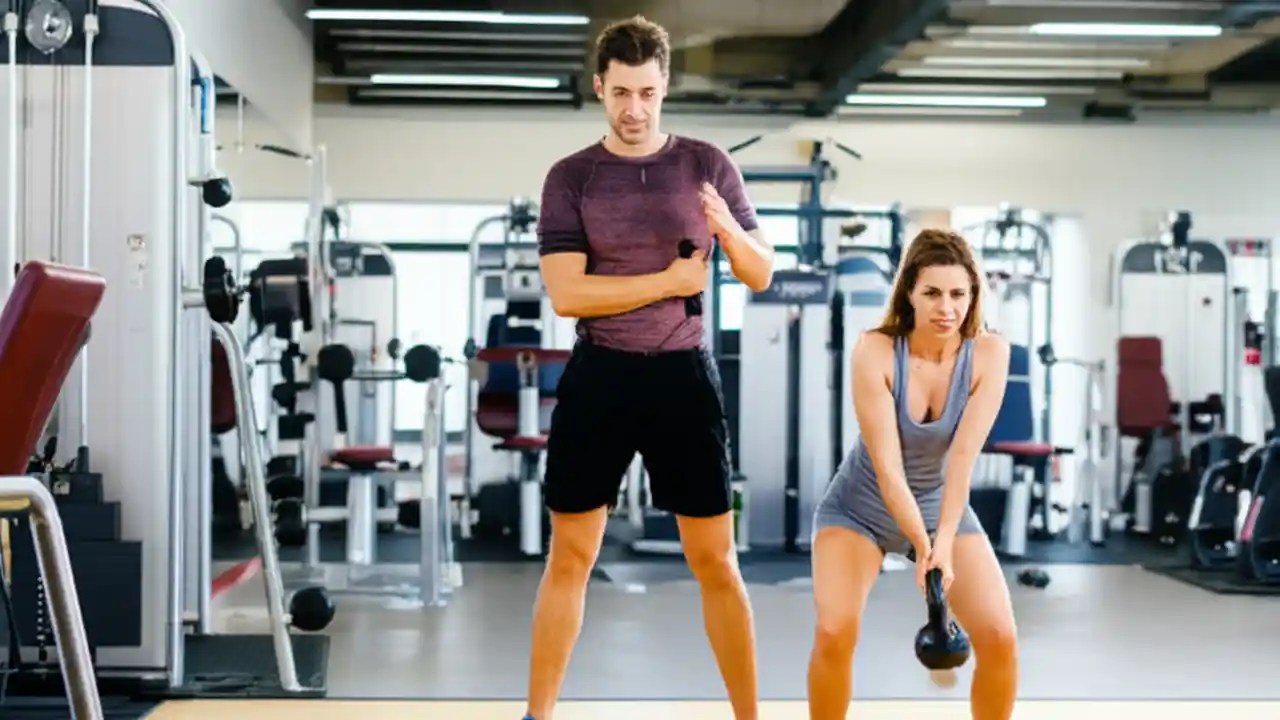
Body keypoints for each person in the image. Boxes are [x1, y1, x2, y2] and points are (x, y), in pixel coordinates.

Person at [522, 14, 775, 720]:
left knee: (717, 562)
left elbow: (760, 273)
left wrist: (726, 230)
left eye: (648, 93)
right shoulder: (571, 177)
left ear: (665, 88)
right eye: (621, 92)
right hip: (600, 374)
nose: (635, 109)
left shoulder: (707, 163)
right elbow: (570, 292)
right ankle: (536, 715)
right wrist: (671, 282)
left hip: (683, 378)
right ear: (599, 87)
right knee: (569, 557)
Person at [807, 229, 1018, 720]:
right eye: (933, 293)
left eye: (958, 294)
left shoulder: (989, 353)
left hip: (941, 506)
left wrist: (942, 540)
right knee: (835, 631)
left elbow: (962, 457)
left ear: (973, 296)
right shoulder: (875, 351)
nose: (947, 308)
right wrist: (924, 551)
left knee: (1000, 638)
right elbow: (887, 467)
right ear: (909, 293)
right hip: (859, 509)